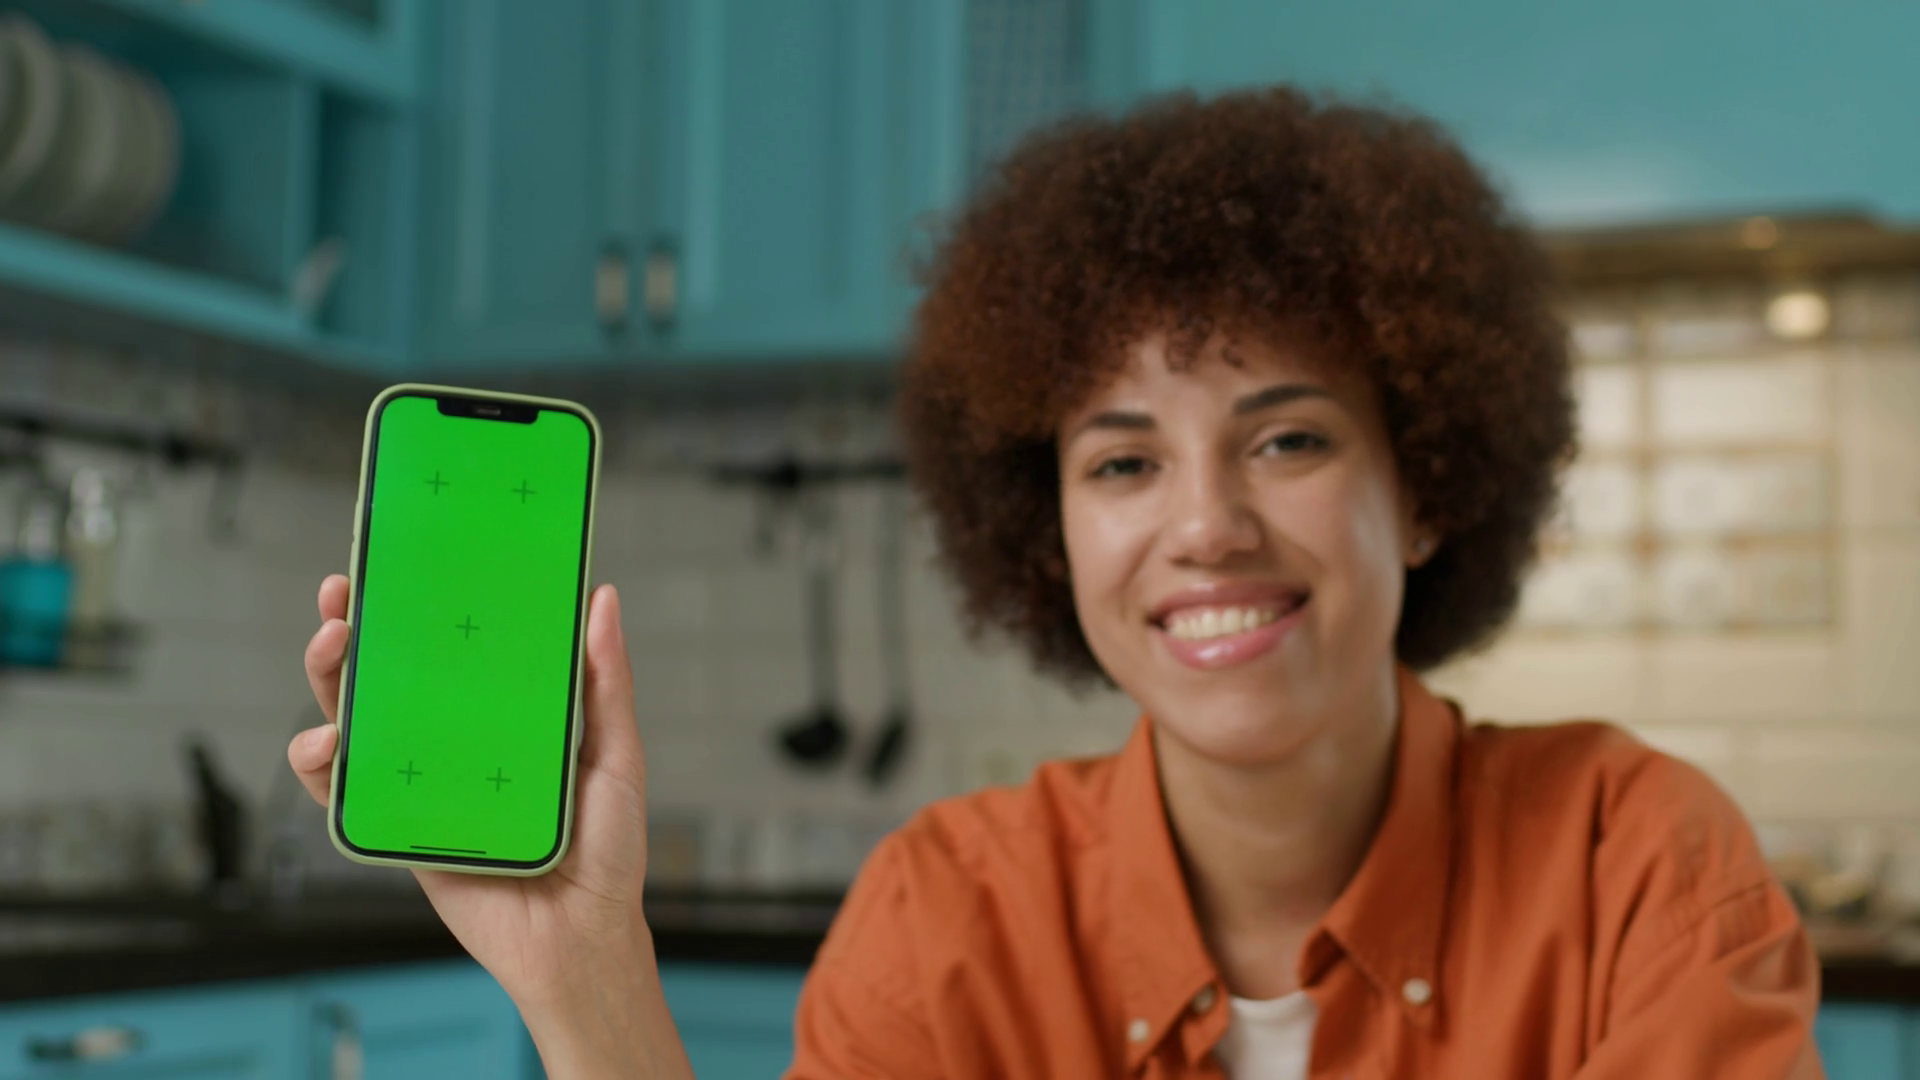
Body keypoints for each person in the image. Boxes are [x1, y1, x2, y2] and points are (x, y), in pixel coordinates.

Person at [287, 87, 1822, 1078]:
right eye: (1124, 461)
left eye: (1286, 438)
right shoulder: (949, 914)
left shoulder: (1644, 871)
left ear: (1425, 493)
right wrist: (583, 975)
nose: (1206, 526)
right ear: (1046, 532)